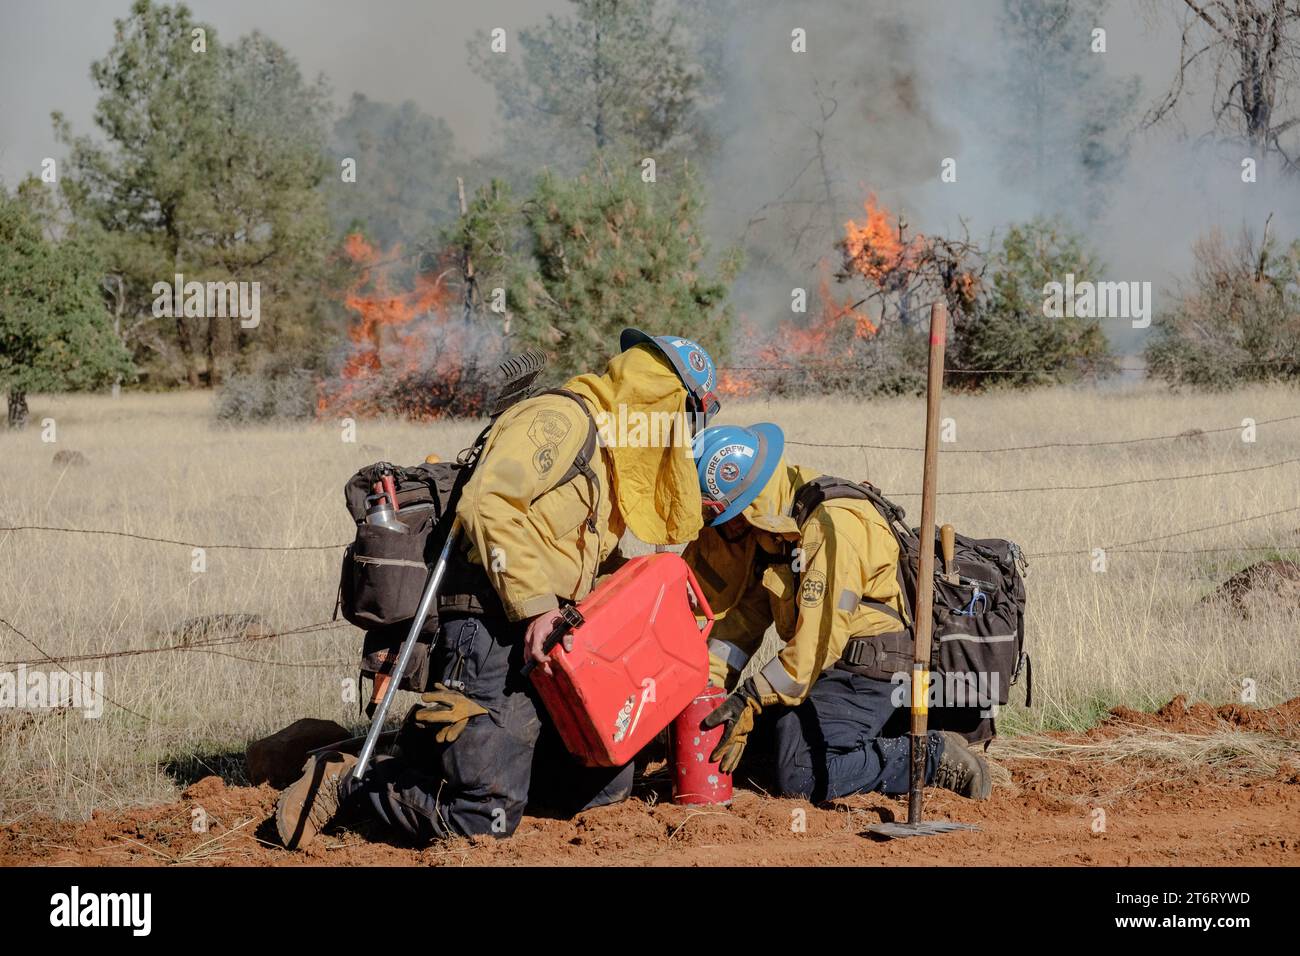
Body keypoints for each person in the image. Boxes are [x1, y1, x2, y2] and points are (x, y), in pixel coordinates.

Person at [276, 330, 720, 849]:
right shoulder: (561, 421)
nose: (678, 432)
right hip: (490, 627)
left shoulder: (609, 448)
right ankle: (356, 784)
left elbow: (574, 554)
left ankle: (441, 760)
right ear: (658, 396)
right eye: (683, 414)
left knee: (598, 785)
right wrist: (536, 610)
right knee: (479, 817)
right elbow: (489, 504)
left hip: (553, 639)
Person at [681, 422, 991, 803]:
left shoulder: (831, 527)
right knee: (735, 748)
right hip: (826, 672)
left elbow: (816, 647)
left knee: (801, 773)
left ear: (748, 505)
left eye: (724, 519)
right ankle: (861, 738)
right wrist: (706, 692)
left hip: (871, 667)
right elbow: (741, 624)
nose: (722, 531)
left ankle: (932, 756)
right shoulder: (772, 532)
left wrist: (751, 697)